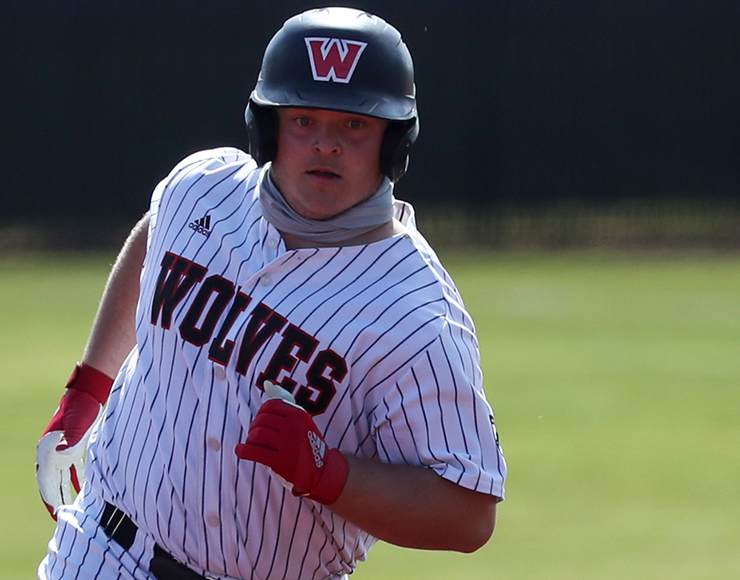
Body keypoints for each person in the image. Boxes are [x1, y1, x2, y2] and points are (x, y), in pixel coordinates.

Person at [36, 7, 506, 580]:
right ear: (268, 126)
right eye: (304, 119)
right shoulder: (202, 188)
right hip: (100, 549)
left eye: (354, 125)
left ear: (393, 143)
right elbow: (154, 234)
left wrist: (330, 474)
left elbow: (470, 514)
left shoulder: (415, 313)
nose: (325, 144)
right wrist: (88, 389)